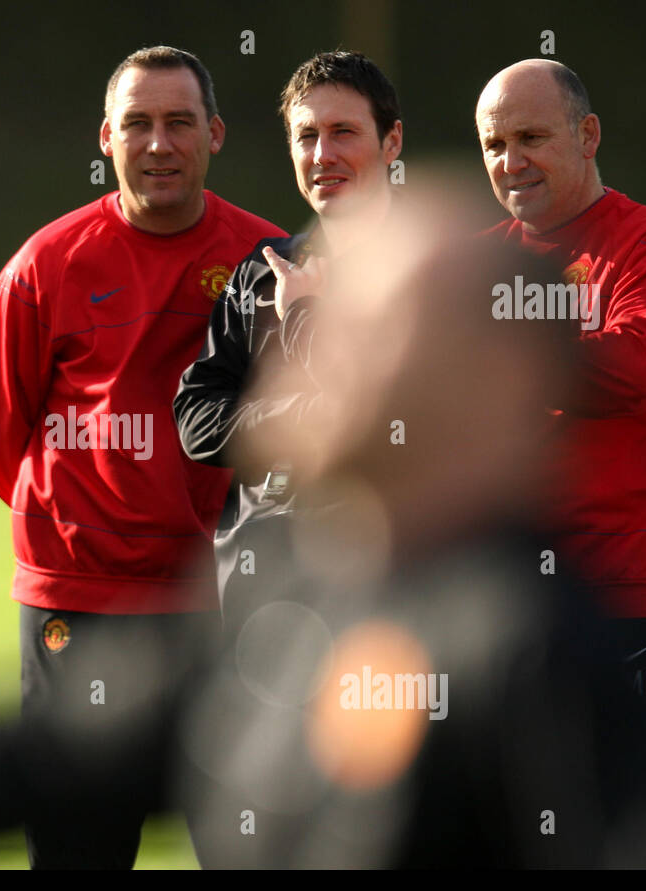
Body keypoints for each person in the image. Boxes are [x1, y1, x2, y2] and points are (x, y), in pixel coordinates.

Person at [0, 45, 283, 869]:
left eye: (179, 122)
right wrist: (81, 519)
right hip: (78, 601)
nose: (159, 143)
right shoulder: (48, 261)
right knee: (77, 844)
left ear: (213, 133)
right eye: (139, 124)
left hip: (229, 601)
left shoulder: (269, 263)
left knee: (247, 841)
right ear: (106, 136)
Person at [474, 59, 646, 814]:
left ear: (588, 135)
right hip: (495, 597)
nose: (510, 161)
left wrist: (499, 353)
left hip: (622, 596)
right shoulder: (477, 258)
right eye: (493, 143)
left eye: (531, 137)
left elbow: (643, 368)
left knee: (634, 840)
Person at [174, 50, 402, 650]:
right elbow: (197, 422)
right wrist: (298, 417)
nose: (322, 154)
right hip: (260, 592)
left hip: (379, 594)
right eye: (306, 136)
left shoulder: (424, 275)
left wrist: (302, 320)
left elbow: (380, 422)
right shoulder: (266, 268)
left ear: (391, 141)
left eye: (343, 132)